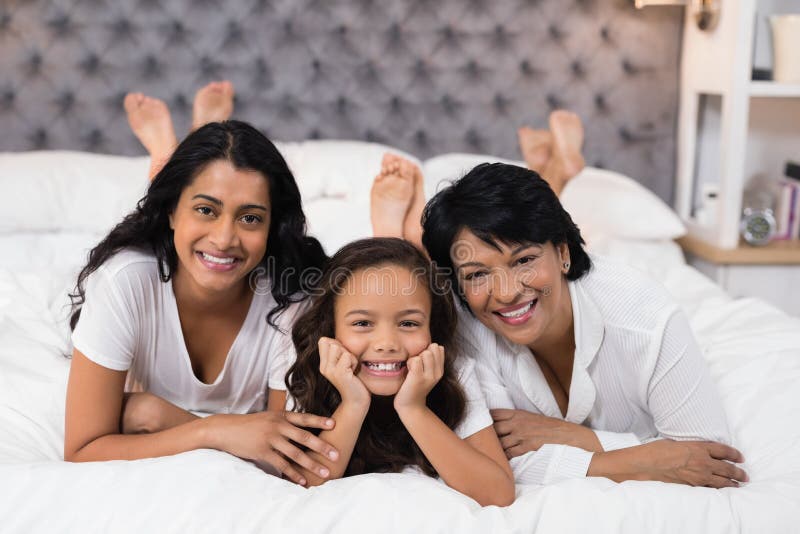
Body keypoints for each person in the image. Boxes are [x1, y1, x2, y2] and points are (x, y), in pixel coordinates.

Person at [419, 162, 748, 488]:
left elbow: (707, 460)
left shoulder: (644, 320)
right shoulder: (464, 331)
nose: (507, 292)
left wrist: (579, 438)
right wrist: (644, 458)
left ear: (562, 251)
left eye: (524, 260)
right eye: (477, 274)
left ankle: (559, 163)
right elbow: (496, 462)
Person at [64, 110, 340, 487]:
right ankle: (166, 151)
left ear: (272, 227)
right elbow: (81, 450)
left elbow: (284, 460)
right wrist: (214, 431)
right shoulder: (123, 280)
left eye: (250, 218)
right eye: (206, 210)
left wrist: (158, 416)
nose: (224, 238)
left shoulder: (290, 301)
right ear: (172, 212)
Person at [285, 238, 515, 506]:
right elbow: (300, 486)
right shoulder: (311, 369)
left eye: (408, 323)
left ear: (432, 328)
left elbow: (499, 494)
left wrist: (414, 408)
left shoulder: (454, 373)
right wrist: (353, 403)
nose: (387, 344)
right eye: (362, 323)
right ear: (331, 328)